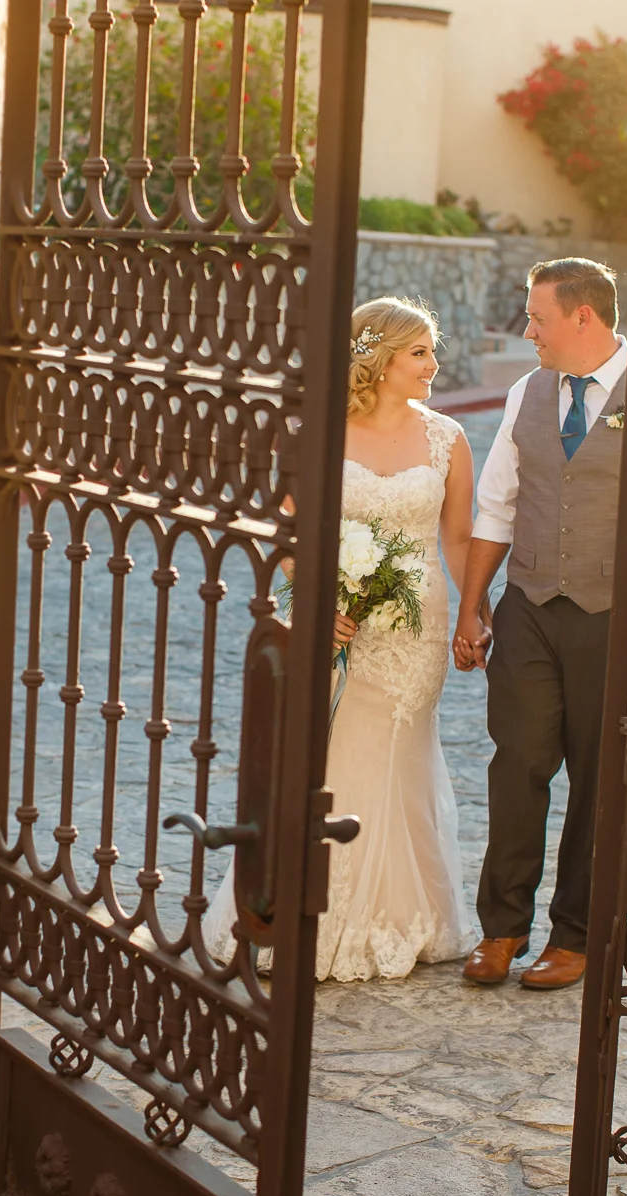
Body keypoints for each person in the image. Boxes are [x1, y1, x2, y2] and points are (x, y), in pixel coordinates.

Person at [208, 296, 475, 981]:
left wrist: (476, 609)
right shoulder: (313, 432)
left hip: (416, 624)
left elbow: (457, 536)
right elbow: (287, 530)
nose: (433, 366)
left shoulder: (448, 438)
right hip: (332, 617)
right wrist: (322, 596)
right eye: (419, 353)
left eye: (430, 351)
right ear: (378, 358)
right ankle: (296, 909)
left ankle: (391, 915)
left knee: (396, 751)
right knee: (320, 755)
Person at [453, 258, 627, 990]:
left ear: (583, 317)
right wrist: (473, 606)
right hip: (530, 605)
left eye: (538, 318)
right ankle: (500, 930)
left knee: (599, 777)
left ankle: (575, 936)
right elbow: (496, 506)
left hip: (612, 613)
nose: (527, 331)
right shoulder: (530, 390)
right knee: (517, 763)